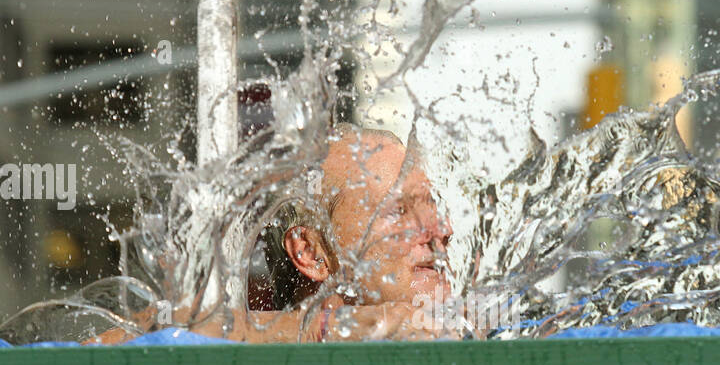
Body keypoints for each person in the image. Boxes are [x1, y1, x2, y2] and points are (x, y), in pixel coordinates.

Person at [90, 125, 457, 344]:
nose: (442, 231)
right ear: (311, 254)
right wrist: (336, 328)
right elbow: (139, 336)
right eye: (398, 211)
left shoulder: (477, 330)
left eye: (432, 207)